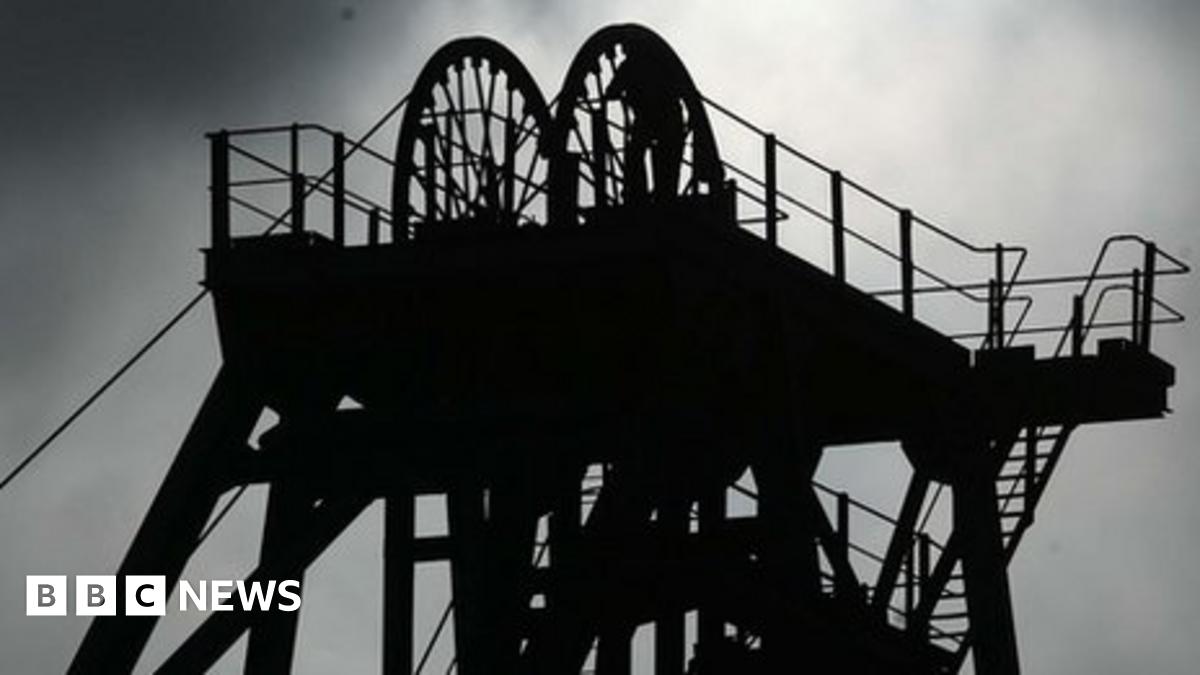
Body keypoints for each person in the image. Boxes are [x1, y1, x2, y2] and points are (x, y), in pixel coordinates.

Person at [604, 40, 686, 203]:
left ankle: (637, 193)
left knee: (635, 152)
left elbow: (611, 91)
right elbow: (682, 88)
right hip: (670, 119)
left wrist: (624, 94)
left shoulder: (629, 66)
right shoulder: (660, 63)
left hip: (649, 119)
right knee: (665, 157)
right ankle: (663, 195)